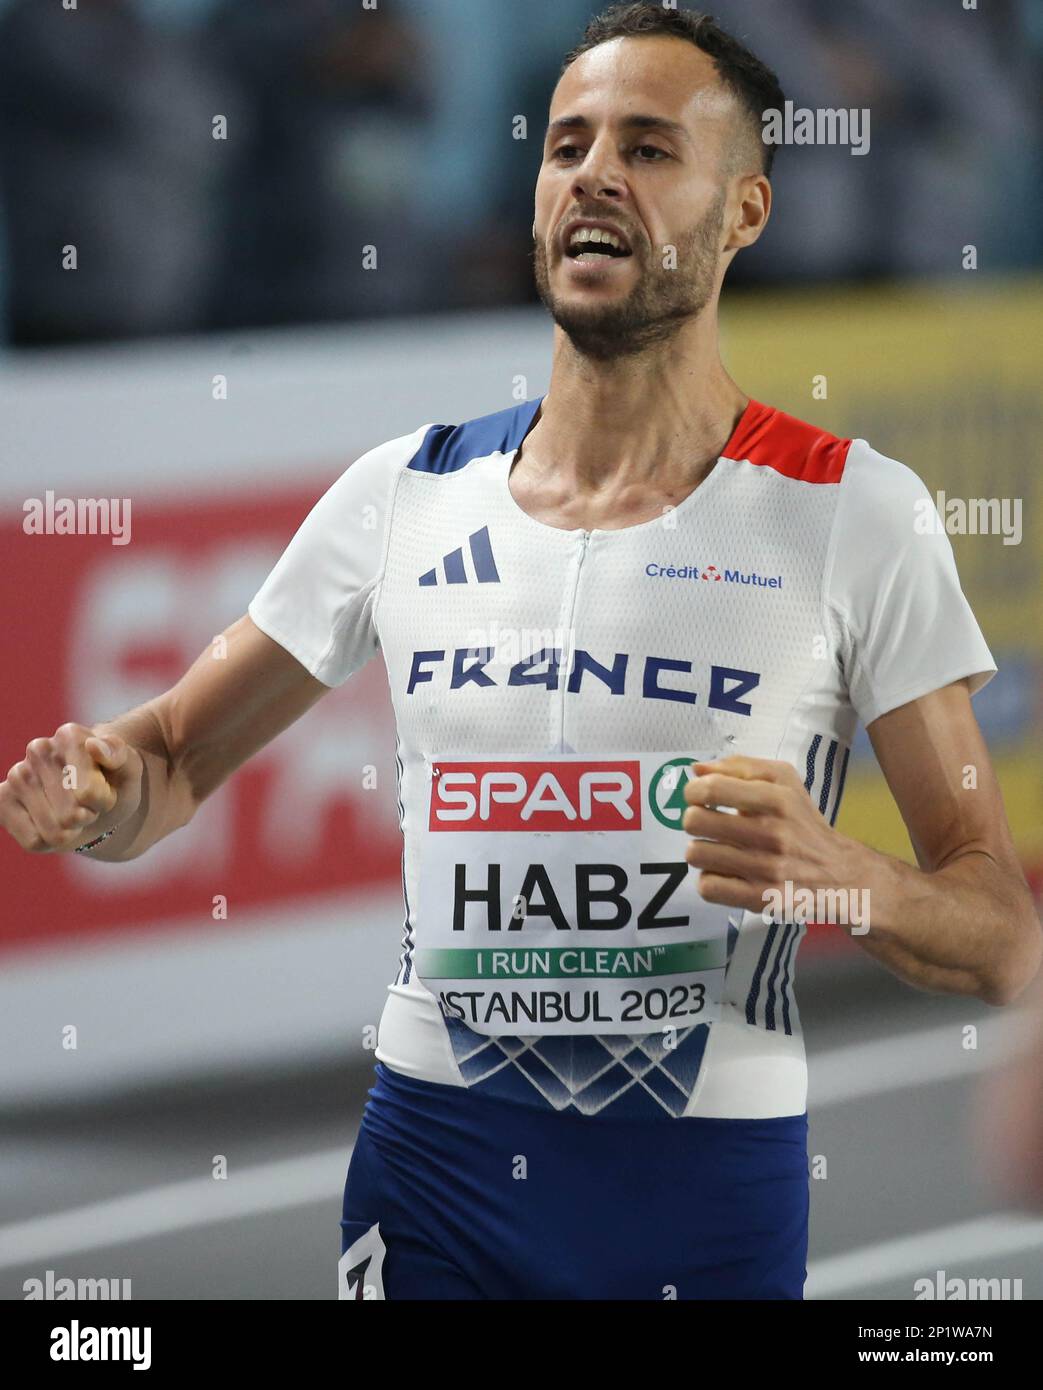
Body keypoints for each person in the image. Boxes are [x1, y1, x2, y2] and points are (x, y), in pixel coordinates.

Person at [2, 3, 1039, 1300]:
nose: (595, 173)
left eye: (652, 148)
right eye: (567, 145)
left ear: (748, 214)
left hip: (702, 1189)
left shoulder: (851, 509)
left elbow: (1002, 936)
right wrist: (95, 793)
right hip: (435, 1160)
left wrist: (847, 880)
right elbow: (162, 765)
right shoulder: (405, 490)